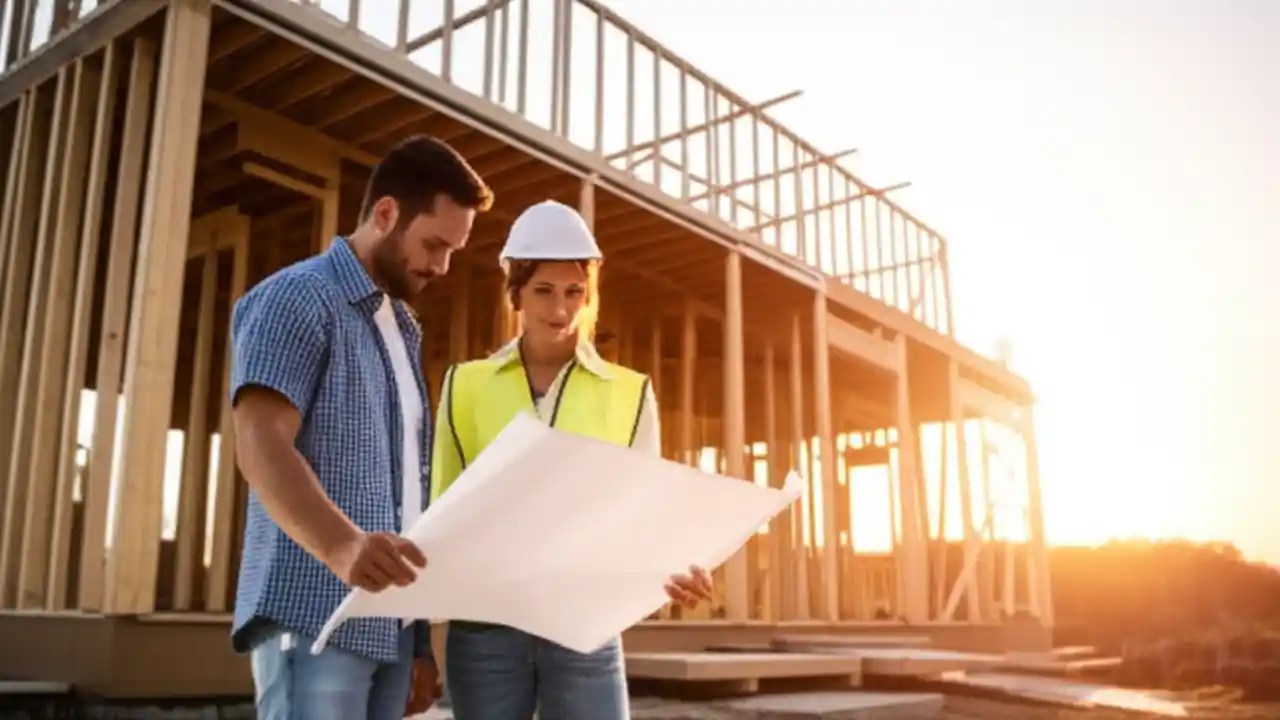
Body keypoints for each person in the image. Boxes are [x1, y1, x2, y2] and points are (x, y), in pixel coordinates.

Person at [227, 135, 493, 720]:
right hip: (313, 613)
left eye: (453, 250)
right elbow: (259, 441)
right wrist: (342, 545)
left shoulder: (403, 330)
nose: (441, 266)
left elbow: (408, 497)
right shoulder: (296, 297)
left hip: (389, 628)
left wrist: (418, 640)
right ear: (386, 213)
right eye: (434, 244)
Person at [428, 199, 715, 720]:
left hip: (584, 627)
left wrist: (676, 564)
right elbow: (440, 515)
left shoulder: (630, 393)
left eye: (573, 292)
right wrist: (422, 638)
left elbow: (645, 514)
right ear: (514, 290)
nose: (560, 310)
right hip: (486, 631)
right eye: (543, 290)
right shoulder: (463, 386)